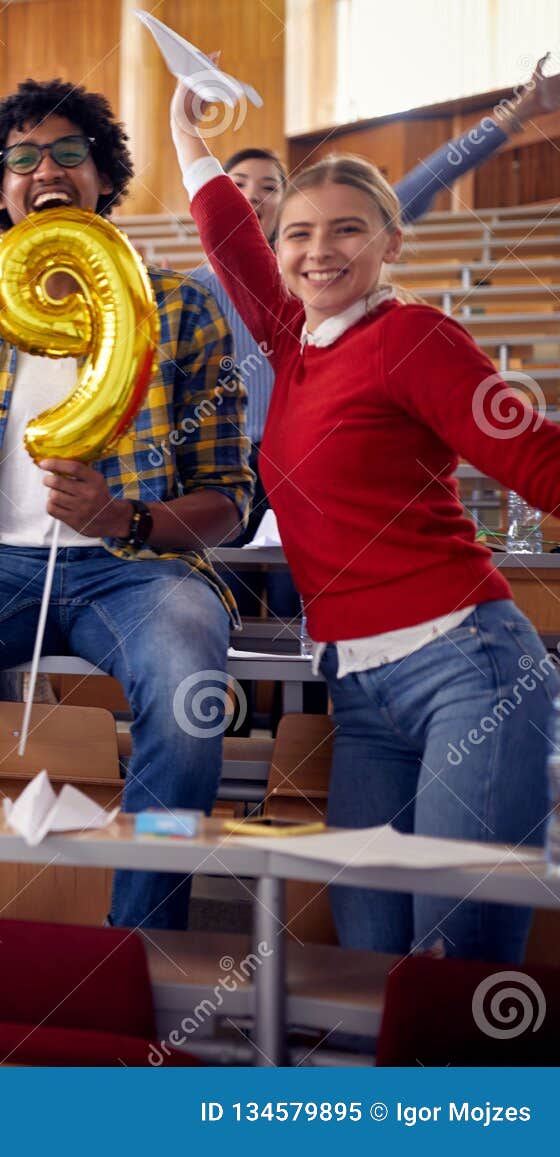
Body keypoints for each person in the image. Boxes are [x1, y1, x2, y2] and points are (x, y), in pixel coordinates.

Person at [173, 71, 560, 964]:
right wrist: (187, 137)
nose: (319, 251)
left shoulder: (415, 338)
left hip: (470, 671)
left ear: (390, 240)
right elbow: (231, 240)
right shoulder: (290, 339)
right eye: (299, 233)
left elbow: (536, 458)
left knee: (451, 967)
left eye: (347, 229)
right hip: (362, 695)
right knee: (371, 960)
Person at [0, 79, 251, 927]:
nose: (48, 170)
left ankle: (140, 947)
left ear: (104, 175)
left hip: (138, 572)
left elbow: (227, 499)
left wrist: (123, 518)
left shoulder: (178, 307)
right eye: (22, 159)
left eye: (71, 152)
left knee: (186, 690)